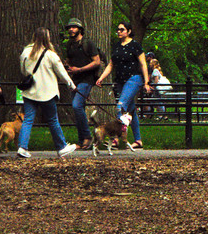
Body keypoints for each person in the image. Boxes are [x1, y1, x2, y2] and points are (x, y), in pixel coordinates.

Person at [18, 27, 78, 158]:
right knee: (52, 120)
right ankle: (61, 147)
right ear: (47, 38)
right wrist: (72, 85)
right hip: (47, 93)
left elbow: (23, 71)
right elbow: (62, 73)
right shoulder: (50, 54)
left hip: (29, 91)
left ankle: (22, 147)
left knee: (28, 120)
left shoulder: (25, 52)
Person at [97, 20, 151, 149]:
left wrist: (146, 81)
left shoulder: (135, 46)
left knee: (120, 106)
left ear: (129, 31)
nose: (119, 32)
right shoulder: (116, 46)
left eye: (122, 29)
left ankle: (115, 138)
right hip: (120, 81)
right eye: (118, 30)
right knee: (131, 110)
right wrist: (101, 78)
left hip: (134, 78)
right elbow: (111, 64)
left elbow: (143, 64)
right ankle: (138, 140)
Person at [63, 19, 104, 149]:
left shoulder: (88, 44)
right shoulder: (70, 44)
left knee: (76, 106)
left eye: (74, 27)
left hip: (87, 79)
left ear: (80, 29)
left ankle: (87, 137)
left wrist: (79, 69)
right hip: (74, 80)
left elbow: (96, 62)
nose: (71, 30)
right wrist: (66, 66)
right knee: (77, 109)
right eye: (69, 27)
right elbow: (69, 60)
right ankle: (82, 141)